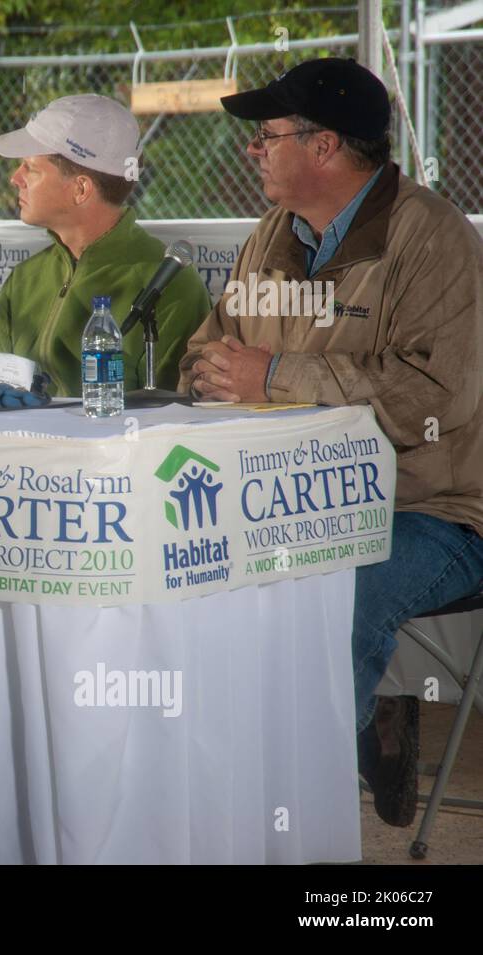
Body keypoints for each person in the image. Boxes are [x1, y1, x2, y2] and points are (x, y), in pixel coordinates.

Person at [177, 57, 483, 828]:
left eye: (267, 137)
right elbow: (204, 352)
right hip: (283, 503)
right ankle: (251, 774)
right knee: (192, 565)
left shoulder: (433, 236)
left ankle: (280, 820)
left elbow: (436, 399)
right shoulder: (271, 236)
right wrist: (213, 373)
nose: (253, 152)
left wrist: (278, 373)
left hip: (434, 509)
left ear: (324, 148)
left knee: (331, 592)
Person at [0, 94, 209, 406]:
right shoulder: (25, 279)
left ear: (80, 189)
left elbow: (175, 419)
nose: (15, 178)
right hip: (20, 453)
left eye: (31, 168)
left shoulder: (169, 282)